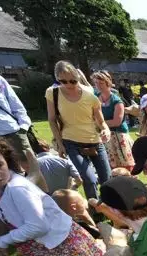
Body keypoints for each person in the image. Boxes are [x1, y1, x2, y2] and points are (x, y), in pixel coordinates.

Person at [46, 60, 112, 202]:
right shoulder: (53, 93)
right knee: (90, 179)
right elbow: (52, 120)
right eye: (63, 81)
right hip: (71, 142)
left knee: (106, 179)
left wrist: (106, 130)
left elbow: (100, 121)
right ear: (57, 80)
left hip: (94, 141)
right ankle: (96, 211)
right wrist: (60, 143)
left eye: (73, 81)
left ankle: (110, 207)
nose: (69, 85)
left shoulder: (90, 94)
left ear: (78, 78)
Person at [92, 71, 134, 171]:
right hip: (104, 136)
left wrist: (99, 123)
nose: (98, 86)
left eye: (101, 83)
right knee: (108, 167)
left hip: (119, 137)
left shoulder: (117, 101)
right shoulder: (95, 99)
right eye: (96, 83)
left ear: (108, 83)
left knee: (124, 167)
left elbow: (117, 122)